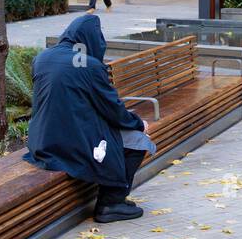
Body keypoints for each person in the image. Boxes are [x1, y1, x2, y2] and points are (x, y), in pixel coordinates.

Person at [25, 14, 154, 223]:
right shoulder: (89, 65)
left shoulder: (42, 58)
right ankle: (112, 203)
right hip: (70, 146)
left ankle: (113, 199)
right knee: (139, 141)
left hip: (41, 143)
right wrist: (139, 123)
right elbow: (112, 108)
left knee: (115, 137)